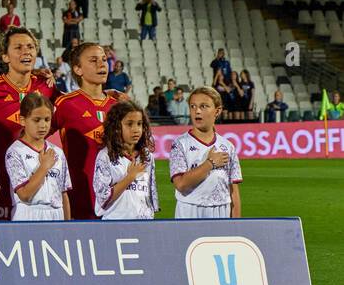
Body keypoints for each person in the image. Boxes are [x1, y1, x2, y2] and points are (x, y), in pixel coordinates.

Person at [0, 27, 55, 220]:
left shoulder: (47, 86)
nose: (26, 51)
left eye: (30, 47)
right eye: (18, 47)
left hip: (37, 183)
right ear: (4, 57)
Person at [53, 43, 123, 220]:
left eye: (104, 60)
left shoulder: (119, 106)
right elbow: (33, 138)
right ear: (77, 69)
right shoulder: (65, 104)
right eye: (93, 60)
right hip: (80, 197)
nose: (102, 64)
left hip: (118, 200)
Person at [170, 87, 243, 219]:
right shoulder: (180, 144)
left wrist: (236, 225)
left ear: (217, 111)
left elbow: (233, 192)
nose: (197, 111)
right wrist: (210, 163)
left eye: (204, 106)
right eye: (193, 106)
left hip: (221, 211)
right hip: (189, 210)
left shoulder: (228, 147)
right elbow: (181, 185)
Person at [6, 94, 71, 221]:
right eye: (36, 120)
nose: (43, 125)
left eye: (47, 119)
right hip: (28, 214)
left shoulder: (57, 152)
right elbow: (24, 194)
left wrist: (67, 226)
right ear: (23, 120)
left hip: (56, 215)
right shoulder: (14, 152)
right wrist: (44, 167)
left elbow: (63, 194)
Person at [93, 100, 158, 220]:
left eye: (139, 124)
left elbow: (150, 193)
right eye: (129, 124)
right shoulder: (105, 156)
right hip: (115, 222)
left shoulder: (147, 156)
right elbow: (103, 198)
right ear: (117, 127)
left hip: (144, 224)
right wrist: (130, 177)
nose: (136, 129)